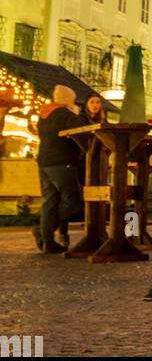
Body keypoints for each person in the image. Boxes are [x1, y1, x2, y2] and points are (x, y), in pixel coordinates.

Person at [35, 85, 88, 253]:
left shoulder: (44, 114)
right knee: (72, 199)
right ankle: (43, 232)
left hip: (44, 162)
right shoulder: (65, 114)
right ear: (68, 100)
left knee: (50, 201)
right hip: (62, 162)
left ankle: (47, 240)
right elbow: (84, 134)